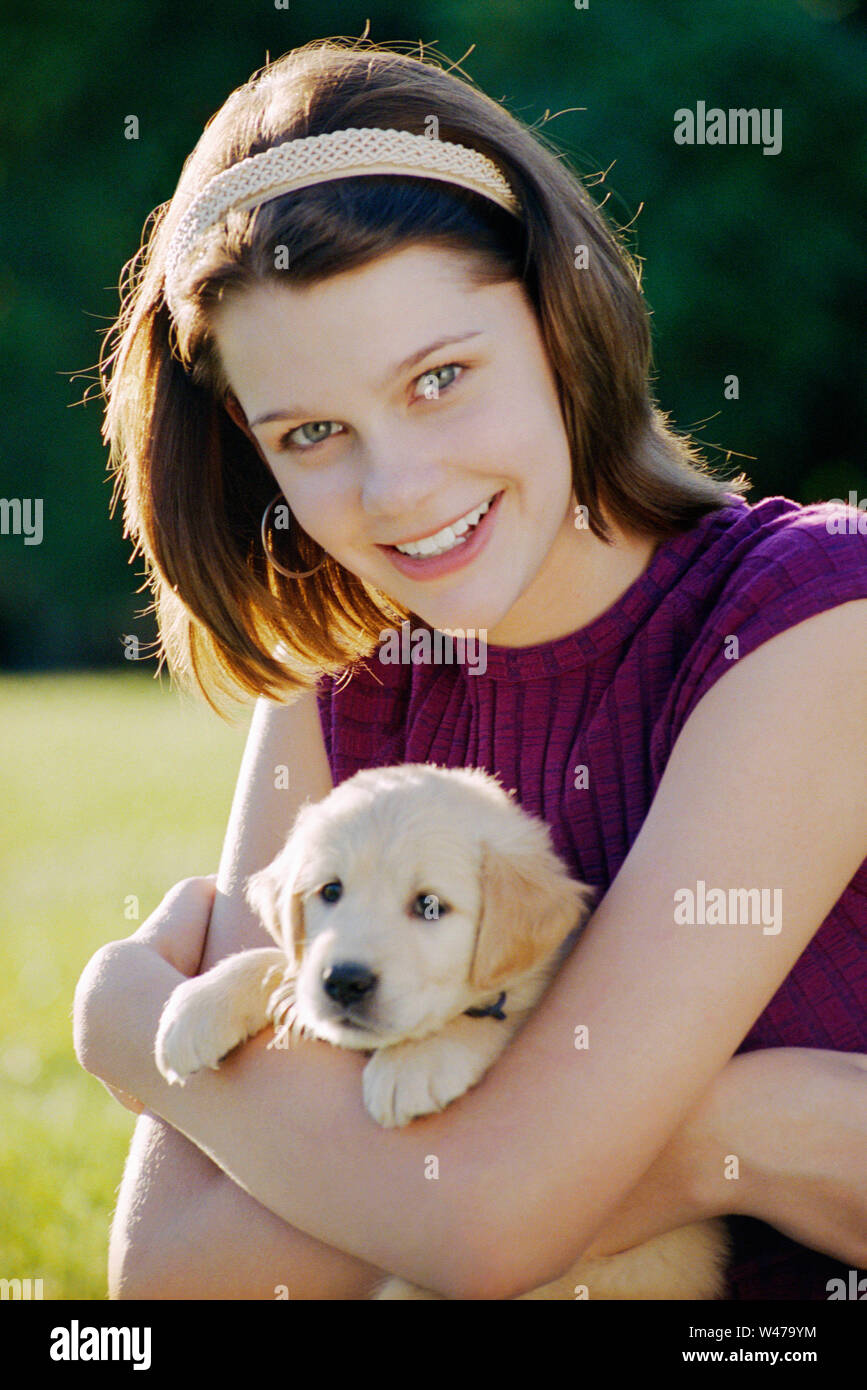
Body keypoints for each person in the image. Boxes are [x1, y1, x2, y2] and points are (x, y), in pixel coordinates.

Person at [74, 38, 867, 1301]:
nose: (399, 490)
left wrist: (148, 1045)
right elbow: (180, 1279)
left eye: (439, 378)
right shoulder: (338, 686)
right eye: (313, 432)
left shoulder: (815, 622)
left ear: (560, 319)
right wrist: (748, 1131)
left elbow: (489, 1229)